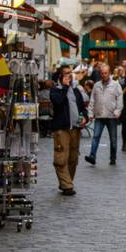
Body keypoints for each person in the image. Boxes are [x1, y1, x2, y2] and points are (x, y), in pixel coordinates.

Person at [49, 66, 87, 196]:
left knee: (73, 159)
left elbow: (82, 107)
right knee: (61, 158)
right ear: (60, 76)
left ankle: (66, 181)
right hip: (62, 128)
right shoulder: (56, 90)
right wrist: (64, 87)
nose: (68, 76)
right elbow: (57, 102)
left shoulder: (75, 90)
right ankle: (67, 186)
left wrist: (85, 117)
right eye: (65, 74)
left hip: (75, 129)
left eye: (69, 74)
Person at [86, 64, 123, 166]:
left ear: (109, 73)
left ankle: (113, 158)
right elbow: (92, 100)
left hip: (111, 116)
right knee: (96, 136)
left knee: (113, 139)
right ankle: (92, 156)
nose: (104, 75)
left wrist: (117, 112)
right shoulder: (96, 85)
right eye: (102, 73)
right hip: (99, 116)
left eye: (106, 73)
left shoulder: (116, 85)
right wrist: (90, 113)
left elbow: (120, 100)